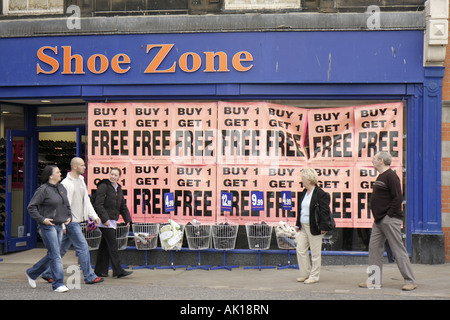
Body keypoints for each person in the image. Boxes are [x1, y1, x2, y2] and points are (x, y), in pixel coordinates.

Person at [359, 151, 416, 291]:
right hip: (379, 220)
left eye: (374, 159)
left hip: (389, 219)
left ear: (381, 161)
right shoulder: (381, 176)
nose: (372, 161)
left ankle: (410, 280)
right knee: (374, 249)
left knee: (398, 249)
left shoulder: (391, 176)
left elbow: (398, 198)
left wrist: (389, 215)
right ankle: (373, 281)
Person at [41, 157, 104, 285]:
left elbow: (86, 200)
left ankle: (48, 273)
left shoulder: (81, 181)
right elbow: (63, 205)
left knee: (61, 250)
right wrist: (63, 224)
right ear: (75, 167)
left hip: (76, 221)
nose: (84, 167)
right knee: (83, 247)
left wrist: (94, 215)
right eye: (82, 165)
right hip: (71, 222)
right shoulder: (66, 184)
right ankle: (89, 276)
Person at [26, 165, 72, 293]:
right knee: (56, 255)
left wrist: (68, 216)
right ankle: (58, 284)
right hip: (48, 226)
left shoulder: (61, 187)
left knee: (53, 253)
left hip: (59, 225)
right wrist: (42, 219)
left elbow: (66, 204)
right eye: (57, 172)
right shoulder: (43, 190)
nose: (60, 173)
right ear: (50, 175)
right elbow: (31, 207)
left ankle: (32, 272)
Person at [93, 167, 132, 278]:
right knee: (113, 245)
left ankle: (100, 271)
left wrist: (127, 219)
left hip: (112, 221)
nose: (113, 177)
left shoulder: (118, 189)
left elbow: (122, 206)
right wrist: (105, 219)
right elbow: (98, 204)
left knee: (104, 247)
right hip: (104, 221)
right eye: (111, 174)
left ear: (119, 177)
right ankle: (118, 270)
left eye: (115, 175)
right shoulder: (103, 186)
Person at [295, 167, 331, 284]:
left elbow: (324, 211)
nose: (302, 180)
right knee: (300, 249)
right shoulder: (303, 192)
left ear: (309, 179)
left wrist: (324, 227)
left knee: (315, 253)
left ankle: (314, 276)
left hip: (314, 226)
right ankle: (305, 273)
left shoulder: (321, 194)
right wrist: (297, 224)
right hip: (303, 225)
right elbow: (300, 210)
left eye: (303, 178)